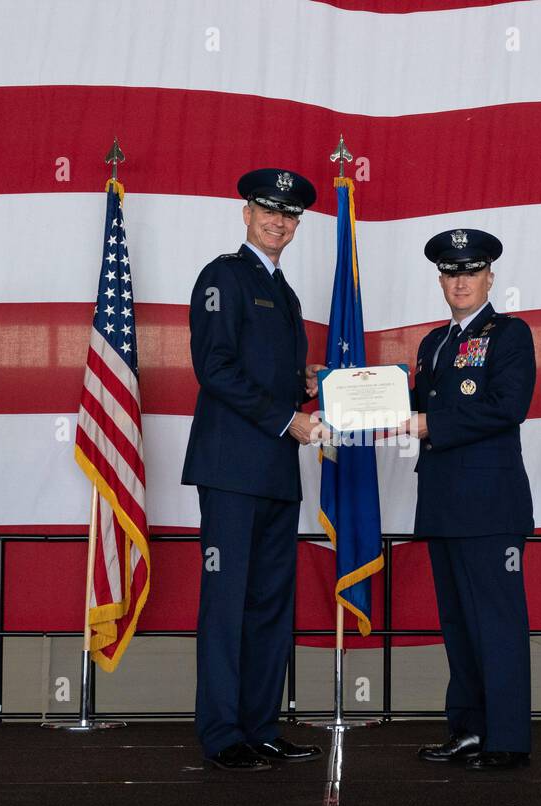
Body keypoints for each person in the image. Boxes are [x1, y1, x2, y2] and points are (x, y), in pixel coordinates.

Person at [181, 169, 327, 771]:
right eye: (269, 210)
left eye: (290, 215)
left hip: (275, 472)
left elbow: (267, 377)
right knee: (226, 601)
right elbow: (214, 368)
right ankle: (222, 733)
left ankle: (261, 726)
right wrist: (286, 419)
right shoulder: (222, 277)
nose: (280, 221)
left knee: (270, 603)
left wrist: (309, 385)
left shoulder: (285, 292)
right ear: (245, 212)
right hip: (232, 469)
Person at [404, 229, 536, 769]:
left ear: (489, 277)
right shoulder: (433, 343)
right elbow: (406, 407)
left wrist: (429, 421)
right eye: (451, 272)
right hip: (441, 501)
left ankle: (505, 740)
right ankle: (468, 730)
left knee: (497, 624)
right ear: (440, 279)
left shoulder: (511, 335)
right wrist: (345, 392)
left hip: (490, 505)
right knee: (458, 625)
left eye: (470, 271)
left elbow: (508, 407)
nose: (460, 281)